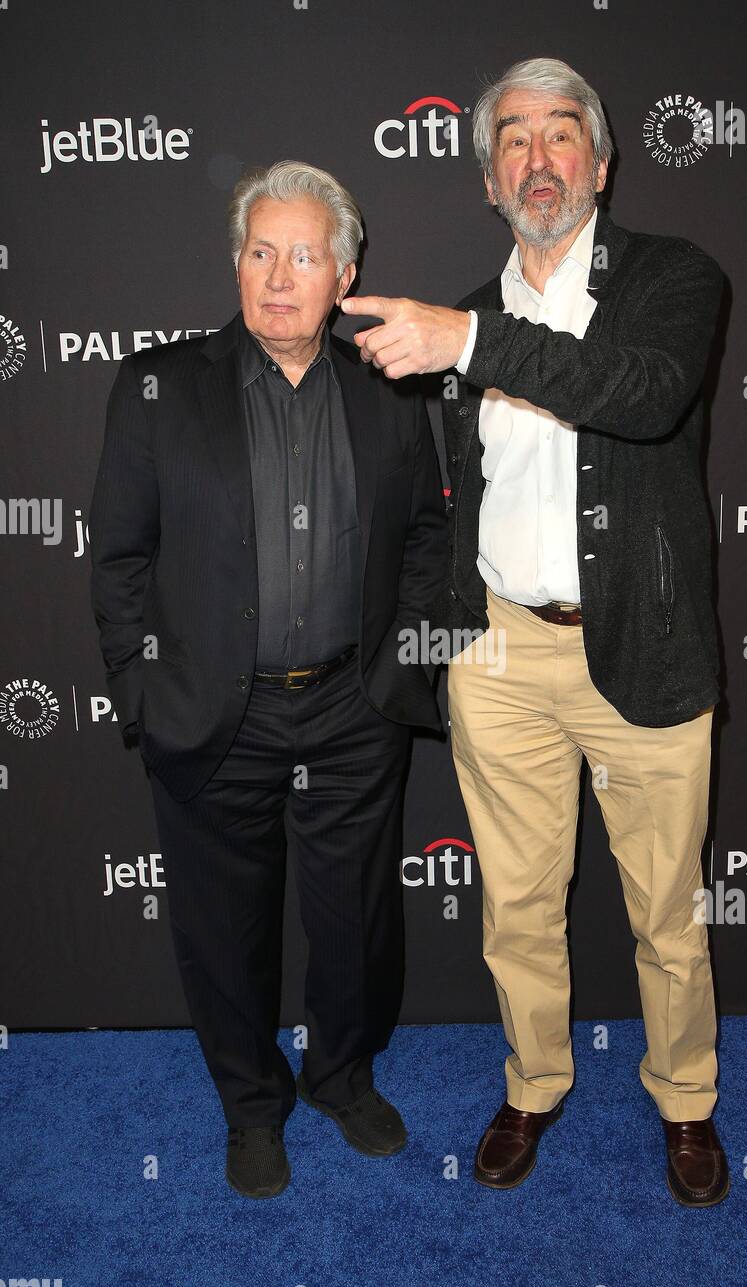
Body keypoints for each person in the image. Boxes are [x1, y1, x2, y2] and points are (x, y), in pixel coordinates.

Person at [341, 59, 729, 1205]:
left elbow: (636, 390)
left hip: (642, 647)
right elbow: (440, 498)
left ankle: (686, 1099)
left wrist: (470, 340)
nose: (539, 155)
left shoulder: (672, 279)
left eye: (563, 134)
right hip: (502, 653)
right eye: (513, 139)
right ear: (487, 178)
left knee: (665, 908)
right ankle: (534, 1081)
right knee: (515, 904)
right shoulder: (463, 318)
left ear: (600, 166)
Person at [89, 160, 447, 1198]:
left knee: (354, 919)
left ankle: (341, 1074)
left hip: (351, 706)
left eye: (303, 255)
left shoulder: (390, 392)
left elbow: (427, 536)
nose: (278, 276)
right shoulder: (157, 388)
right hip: (211, 712)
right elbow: (116, 559)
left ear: (344, 275)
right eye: (260, 251)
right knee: (222, 928)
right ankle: (252, 1104)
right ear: (235, 265)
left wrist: (399, 667)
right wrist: (142, 691)